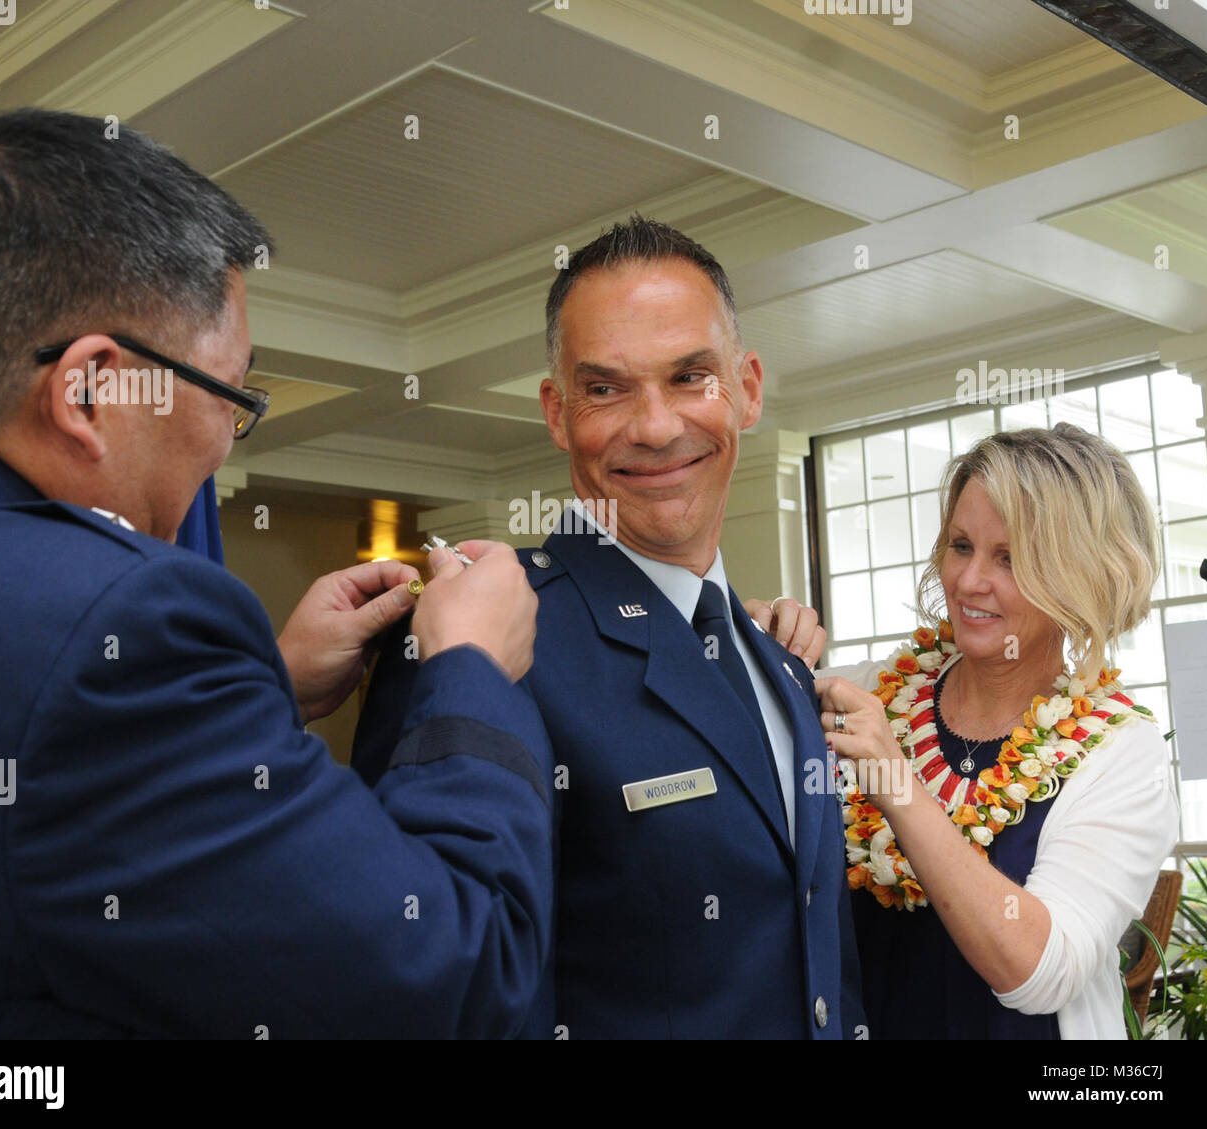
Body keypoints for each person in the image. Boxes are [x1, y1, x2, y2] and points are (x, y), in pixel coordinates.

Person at [0, 109, 554, 1038]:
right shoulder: (122, 622)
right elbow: (455, 977)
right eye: (233, 393)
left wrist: (268, 691)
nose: (226, 440)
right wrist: (470, 673)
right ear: (93, 389)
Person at [355, 217, 863, 1038]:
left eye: (690, 376)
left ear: (748, 388)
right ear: (556, 413)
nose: (656, 426)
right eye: (605, 388)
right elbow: (422, 984)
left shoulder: (777, 656)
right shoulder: (476, 642)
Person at [751, 424, 1179, 1039]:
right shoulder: (870, 692)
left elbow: (1040, 970)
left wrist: (896, 785)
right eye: (960, 545)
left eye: (1009, 558)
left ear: (1083, 574)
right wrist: (753, 645)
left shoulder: (1121, 752)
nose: (969, 581)